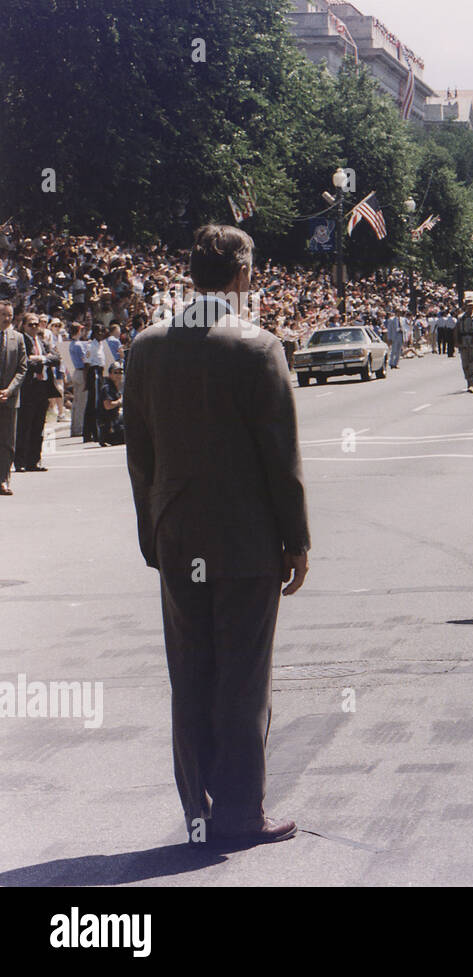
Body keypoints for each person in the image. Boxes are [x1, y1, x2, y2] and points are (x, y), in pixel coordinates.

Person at [125, 224, 309, 846]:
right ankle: (239, 812)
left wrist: (152, 531)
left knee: (192, 673)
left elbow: (140, 456)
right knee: (243, 678)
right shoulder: (258, 347)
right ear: (241, 275)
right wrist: (297, 539)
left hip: (178, 535)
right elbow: (280, 458)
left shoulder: (146, 347)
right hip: (246, 540)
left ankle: (198, 812)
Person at [15, 312, 55, 471]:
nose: (34, 327)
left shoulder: (43, 342)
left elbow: (56, 358)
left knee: (39, 425)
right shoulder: (21, 340)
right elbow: (24, 362)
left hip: (43, 386)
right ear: (23, 325)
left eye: (36, 324)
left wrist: (42, 359)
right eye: (30, 324)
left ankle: (34, 460)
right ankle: (21, 461)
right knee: (25, 425)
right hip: (28, 387)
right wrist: (38, 360)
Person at [0, 300, 28, 496]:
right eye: (3, 314)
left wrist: (9, 390)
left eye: (9, 315)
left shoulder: (17, 338)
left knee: (7, 442)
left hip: (9, 398)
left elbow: (22, 368)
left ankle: (3, 480)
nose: (6, 318)